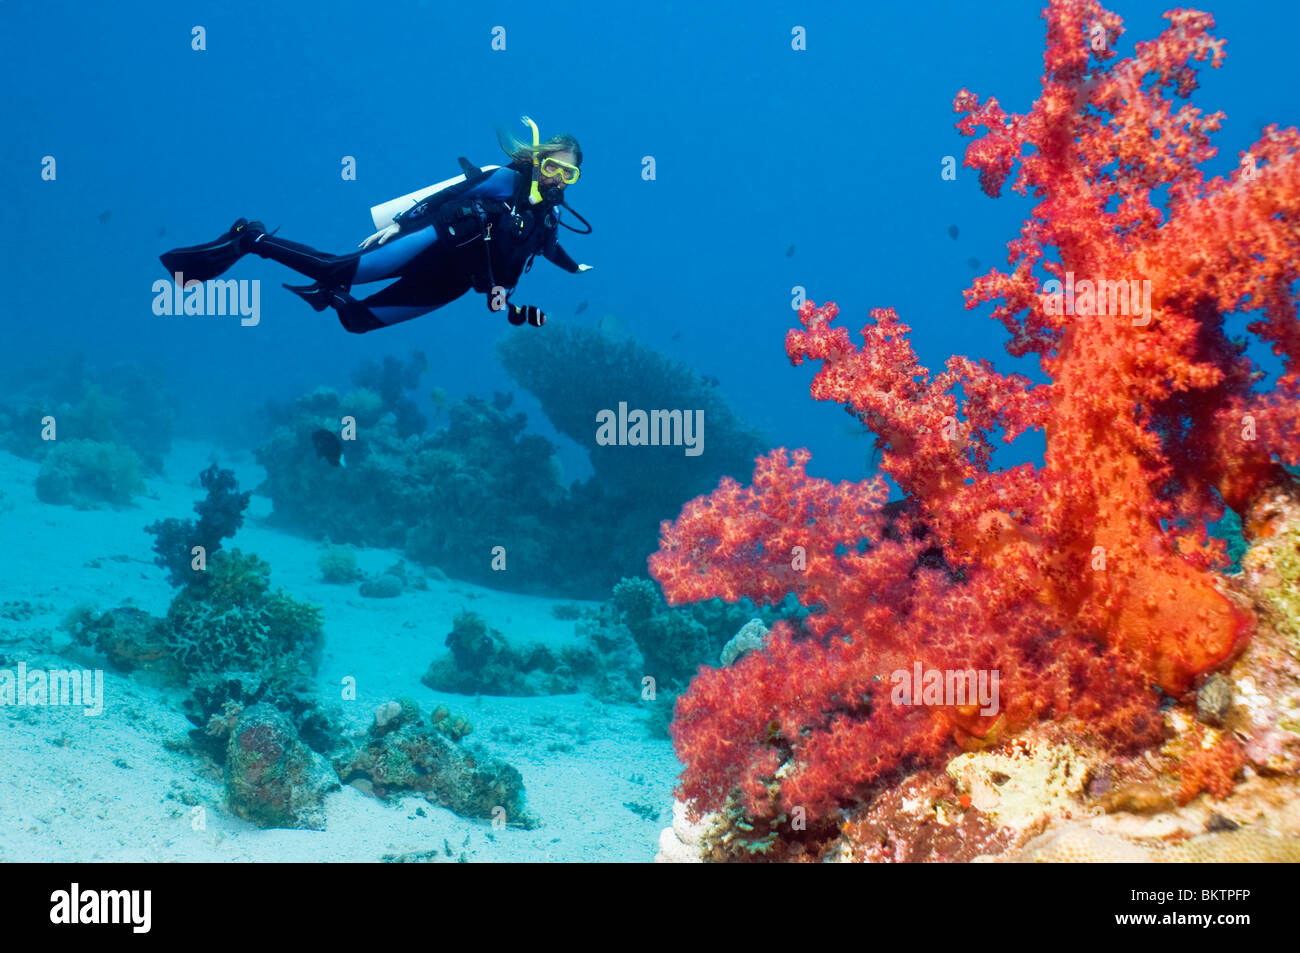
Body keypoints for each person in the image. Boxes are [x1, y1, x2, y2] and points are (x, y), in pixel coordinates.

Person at [159, 119, 593, 333]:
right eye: (553, 165)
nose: (557, 177)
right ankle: (250, 237)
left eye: (568, 174)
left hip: (454, 282)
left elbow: (548, 247)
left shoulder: (549, 217)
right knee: (334, 267)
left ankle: (330, 297)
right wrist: (397, 225)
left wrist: (574, 269)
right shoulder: (505, 180)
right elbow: (444, 198)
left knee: (358, 322)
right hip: (429, 243)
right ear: (539, 159)